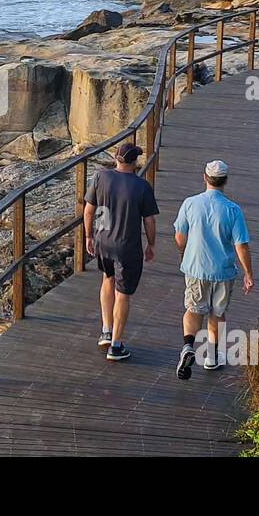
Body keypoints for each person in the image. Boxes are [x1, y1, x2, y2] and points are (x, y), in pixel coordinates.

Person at [173, 160, 254, 380]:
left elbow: (180, 236)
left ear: (205, 178)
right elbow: (241, 245)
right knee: (217, 313)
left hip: (195, 266)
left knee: (193, 308)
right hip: (223, 270)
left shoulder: (190, 203)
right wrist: (248, 273)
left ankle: (188, 346)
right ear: (225, 181)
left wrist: (184, 251)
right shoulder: (233, 210)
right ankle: (211, 356)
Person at [84, 142, 159, 362]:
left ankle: (106, 330)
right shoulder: (142, 186)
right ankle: (116, 345)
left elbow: (89, 210)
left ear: (116, 159)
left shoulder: (100, 178)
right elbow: (149, 220)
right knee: (123, 293)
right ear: (135, 163)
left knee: (107, 279)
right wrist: (151, 244)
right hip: (127, 247)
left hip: (103, 241)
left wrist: (89, 236)